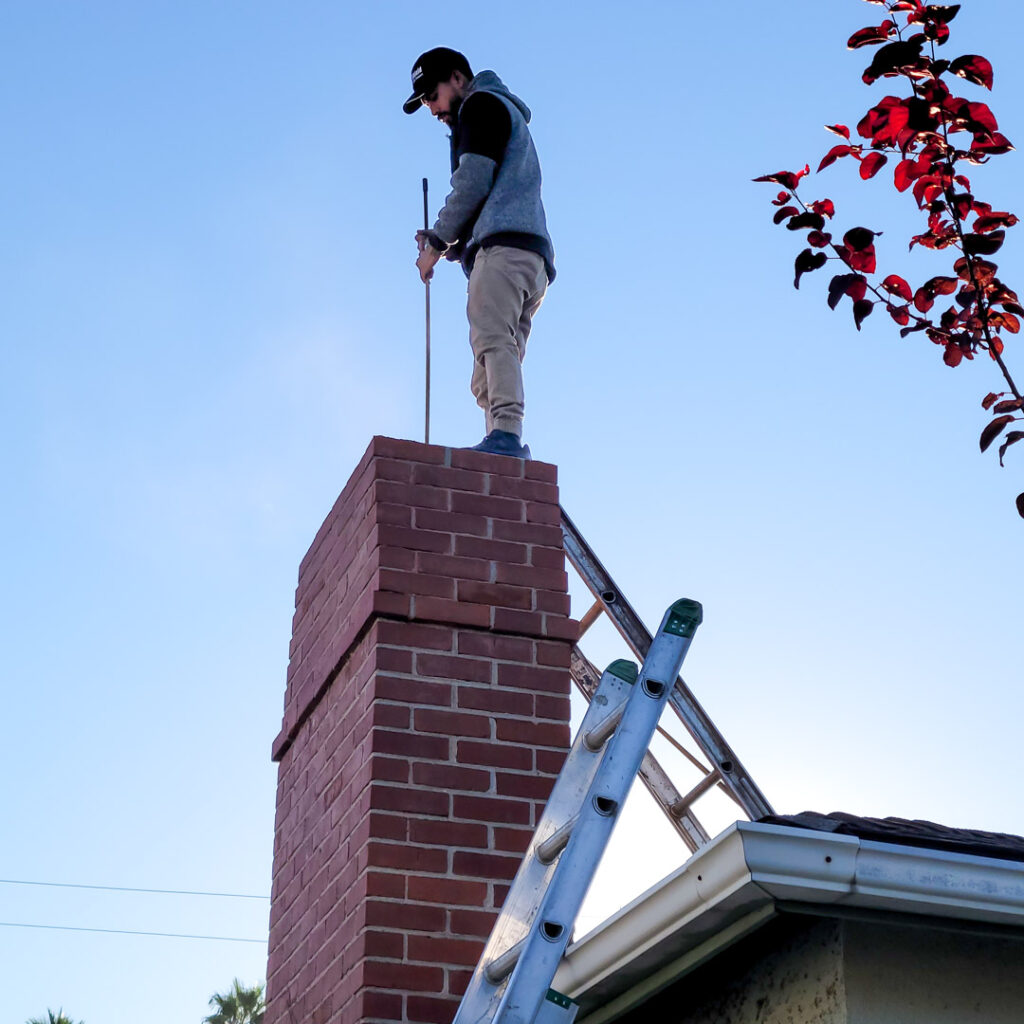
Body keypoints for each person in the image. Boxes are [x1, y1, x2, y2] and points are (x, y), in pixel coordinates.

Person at [404, 47, 555, 460]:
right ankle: (500, 445)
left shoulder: (480, 106)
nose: (432, 109)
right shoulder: (492, 111)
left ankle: (504, 437)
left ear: (456, 78)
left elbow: (472, 183)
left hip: (505, 251)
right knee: (496, 352)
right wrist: (449, 243)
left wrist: (436, 243)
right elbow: (486, 194)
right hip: (528, 256)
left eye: (431, 95)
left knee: (491, 341)